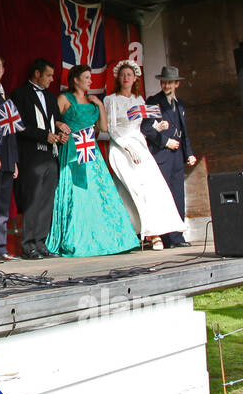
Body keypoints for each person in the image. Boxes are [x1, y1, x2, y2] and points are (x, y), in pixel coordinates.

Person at [46, 64, 138, 257]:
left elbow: (103, 127)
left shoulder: (92, 101)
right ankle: (77, 237)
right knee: (77, 193)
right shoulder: (64, 98)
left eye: (90, 77)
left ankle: (103, 237)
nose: (90, 81)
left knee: (97, 194)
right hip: (73, 148)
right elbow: (51, 119)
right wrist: (60, 125)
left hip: (91, 151)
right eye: (87, 77)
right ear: (76, 80)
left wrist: (100, 105)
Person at [103, 60, 185, 250]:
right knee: (131, 190)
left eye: (129, 75)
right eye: (123, 75)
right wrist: (127, 148)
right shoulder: (111, 100)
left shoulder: (139, 100)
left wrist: (159, 126)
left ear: (135, 79)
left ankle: (154, 232)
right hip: (122, 146)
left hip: (140, 146)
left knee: (152, 188)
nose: (126, 78)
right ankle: (131, 234)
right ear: (118, 78)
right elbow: (111, 128)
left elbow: (144, 127)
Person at [10, 57, 68, 260]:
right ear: (37, 74)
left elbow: (54, 121)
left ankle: (41, 242)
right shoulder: (20, 94)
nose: (51, 79)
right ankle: (28, 245)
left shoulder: (51, 97)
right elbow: (18, 125)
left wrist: (60, 134)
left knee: (47, 200)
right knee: (33, 199)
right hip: (31, 155)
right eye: (48, 75)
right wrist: (44, 136)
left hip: (50, 154)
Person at [141, 64, 197, 248]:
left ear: (176, 84)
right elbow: (146, 128)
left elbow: (184, 131)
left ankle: (177, 236)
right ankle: (166, 237)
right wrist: (165, 141)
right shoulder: (153, 101)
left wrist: (189, 153)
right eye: (164, 82)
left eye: (170, 83)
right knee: (164, 196)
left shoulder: (179, 104)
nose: (166, 86)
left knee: (178, 195)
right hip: (162, 154)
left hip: (177, 154)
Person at [0, 53, 18, 263]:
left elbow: (11, 130)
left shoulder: (5, 93)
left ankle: (1, 247)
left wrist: (14, 160)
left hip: (8, 159)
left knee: (4, 208)